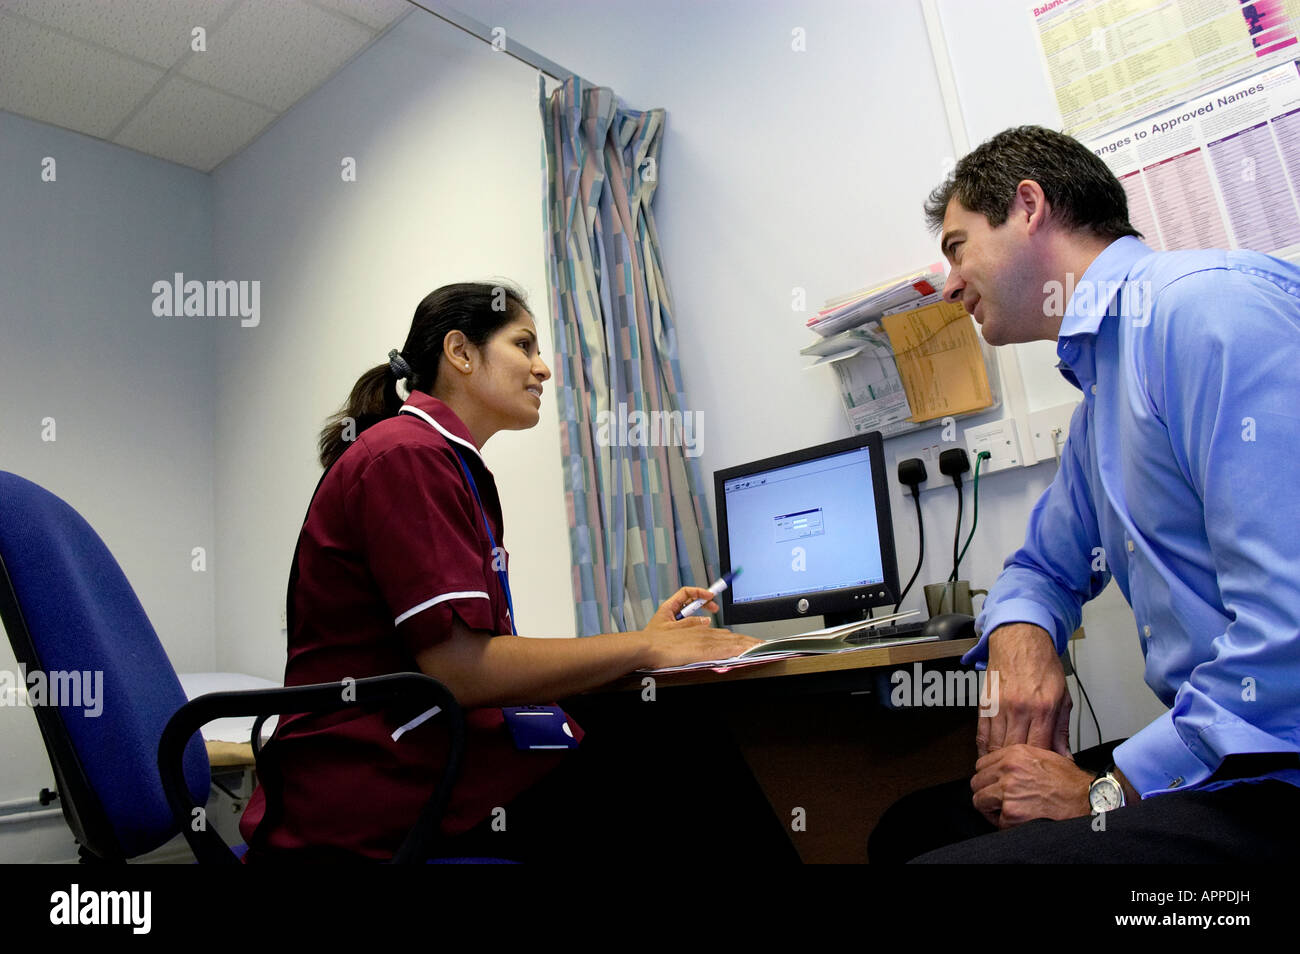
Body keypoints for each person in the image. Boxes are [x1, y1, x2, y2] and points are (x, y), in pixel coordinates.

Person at [239, 281, 794, 863]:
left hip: (428, 758)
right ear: (461, 352)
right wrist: (643, 648)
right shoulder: (406, 456)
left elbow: (477, 660)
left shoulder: (440, 460)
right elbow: (462, 670)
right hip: (378, 791)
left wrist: (644, 645)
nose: (543, 368)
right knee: (682, 746)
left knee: (658, 728)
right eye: (524, 345)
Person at [869, 125, 1300, 863]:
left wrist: (1109, 791)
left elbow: (1290, 631)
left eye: (956, 246)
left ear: (1028, 206)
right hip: (1229, 756)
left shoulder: (1205, 314)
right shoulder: (1102, 403)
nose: (949, 284)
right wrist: (1022, 638)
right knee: (913, 827)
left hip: (1276, 766)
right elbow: (1041, 568)